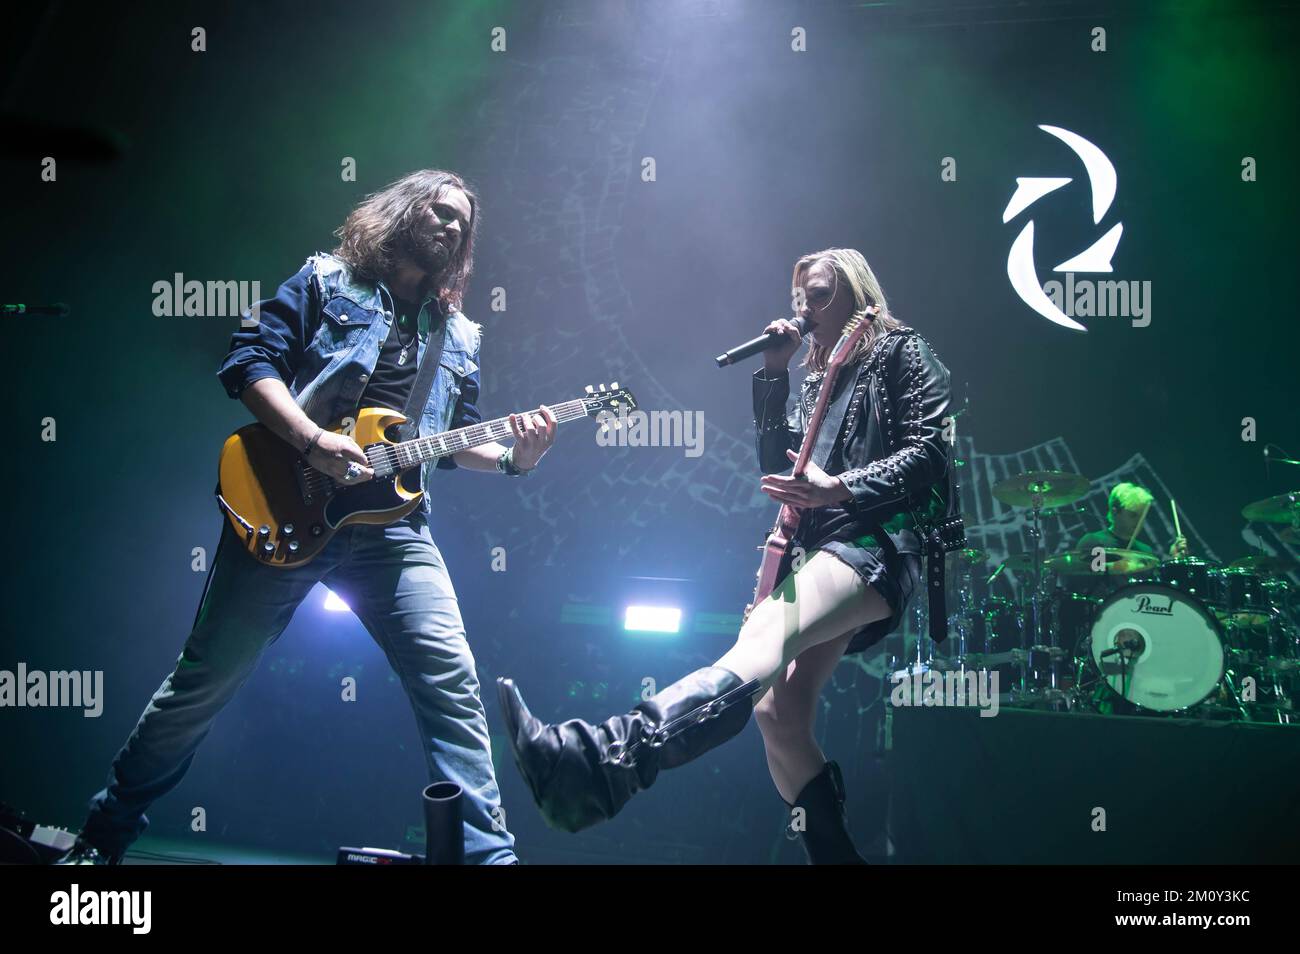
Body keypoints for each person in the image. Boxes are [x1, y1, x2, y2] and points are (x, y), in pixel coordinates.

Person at [63, 170, 555, 865]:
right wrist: (313, 441)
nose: (450, 227)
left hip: (394, 533)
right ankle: (100, 840)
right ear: (405, 211)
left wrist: (513, 459)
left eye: (462, 224)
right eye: (439, 212)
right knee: (203, 683)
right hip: (286, 505)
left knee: (452, 680)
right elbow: (249, 361)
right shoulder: (330, 282)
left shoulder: (462, 335)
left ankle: (489, 858)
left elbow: (453, 441)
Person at [497, 248, 955, 863]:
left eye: (819, 295)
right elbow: (776, 466)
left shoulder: (901, 350)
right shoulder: (820, 376)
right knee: (777, 711)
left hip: (874, 542)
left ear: (857, 293)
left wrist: (840, 487)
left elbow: (930, 452)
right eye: (800, 300)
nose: (806, 309)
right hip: (821, 549)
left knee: (758, 646)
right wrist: (773, 372)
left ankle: (596, 764)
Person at [1076, 482, 1188, 560]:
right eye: (1133, 515)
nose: (1140, 521)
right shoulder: (1094, 543)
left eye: (1142, 516)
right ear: (1115, 512)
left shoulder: (1146, 551)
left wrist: (1174, 559)